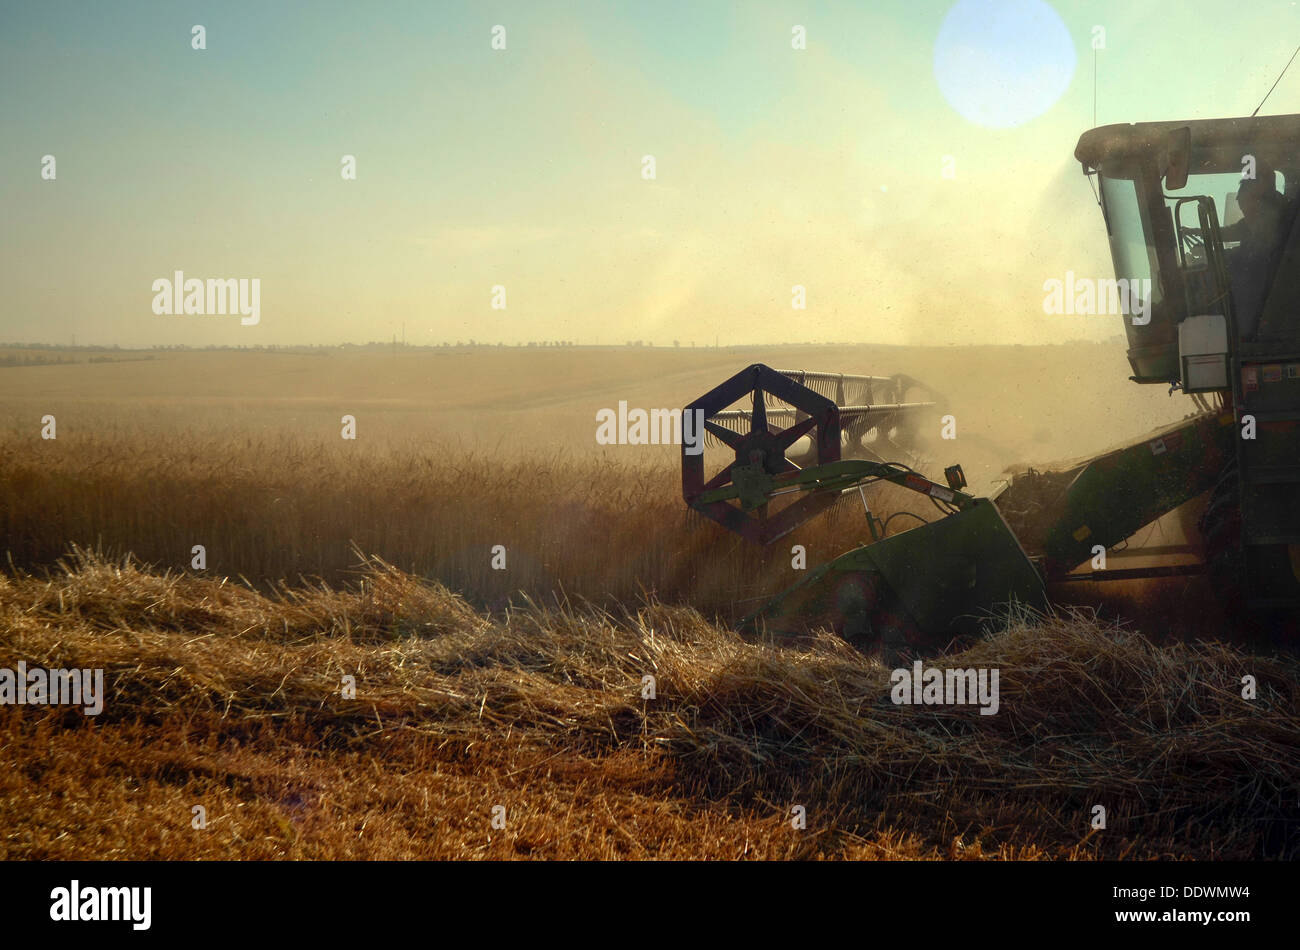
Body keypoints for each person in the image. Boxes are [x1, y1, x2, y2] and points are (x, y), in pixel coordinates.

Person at [1222, 162, 1291, 338]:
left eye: (1248, 207)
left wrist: (1221, 258)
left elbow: (1253, 258)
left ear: (1261, 198)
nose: (1246, 214)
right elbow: (1235, 230)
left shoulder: (1279, 221)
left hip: (1271, 307)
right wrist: (1202, 233)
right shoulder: (1263, 216)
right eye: (1243, 208)